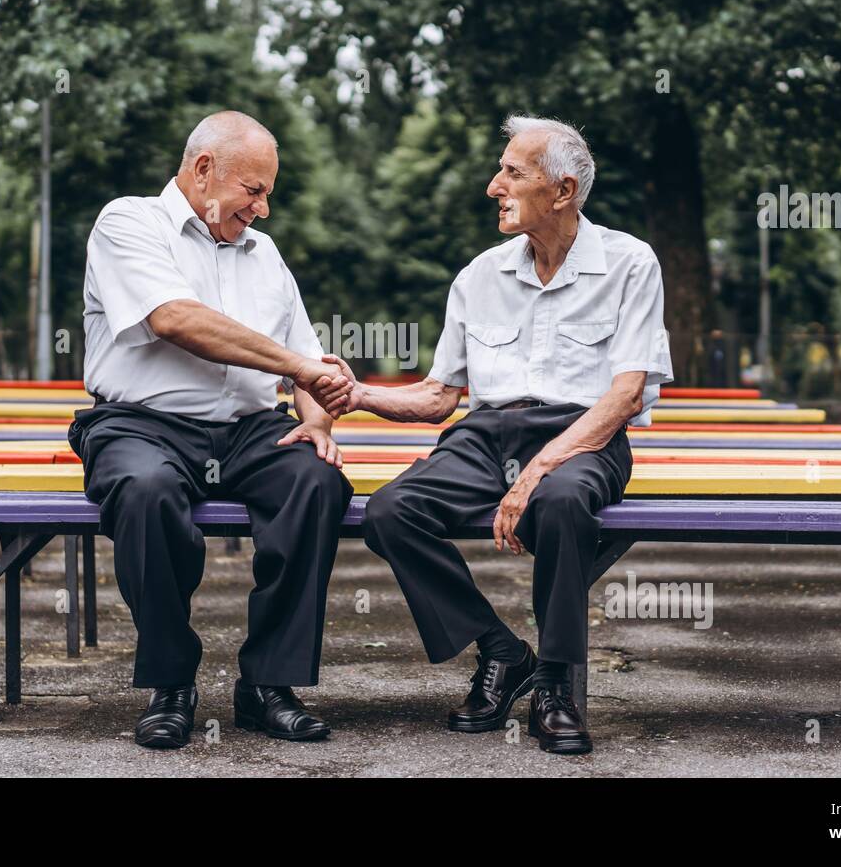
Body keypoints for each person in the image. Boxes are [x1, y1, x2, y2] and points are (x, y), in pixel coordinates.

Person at [337, 114, 673, 754]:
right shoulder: (479, 275)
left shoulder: (631, 263)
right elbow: (440, 398)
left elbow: (625, 395)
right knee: (390, 512)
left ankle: (557, 684)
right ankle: (500, 650)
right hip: (485, 434)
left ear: (564, 191)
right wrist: (359, 396)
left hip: (584, 434)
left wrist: (539, 469)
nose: (494, 185)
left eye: (512, 173)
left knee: (564, 502)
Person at [69, 111, 355, 749]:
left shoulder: (265, 252)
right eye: (254, 191)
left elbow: (308, 357)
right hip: (141, 424)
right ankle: (171, 683)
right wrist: (298, 368)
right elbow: (176, 319)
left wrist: (317, 422)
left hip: (249, 429)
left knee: (318, 482)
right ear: (203, 170)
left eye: (268, 194)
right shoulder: (128, 222)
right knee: (145, 492)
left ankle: (268, 686)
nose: (263, 209)